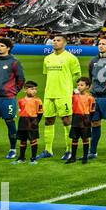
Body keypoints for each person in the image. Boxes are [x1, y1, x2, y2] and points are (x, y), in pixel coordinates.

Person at [43, 34, 82, 162]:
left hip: (64, 94)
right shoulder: (47, 58)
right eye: (53, 40)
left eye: (58, 40)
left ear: (64, 43)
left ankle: (69, 150)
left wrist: (70, 87)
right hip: (49, 94)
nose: (55, 42)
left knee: (66, 121)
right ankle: (48, 150)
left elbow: (77, 76)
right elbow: (47, 75)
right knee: (48, 121)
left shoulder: (71, 58)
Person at [0, 38, 24, 159]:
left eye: (2, 45)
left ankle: (12, 149)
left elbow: (21, 80)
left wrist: (13, 92)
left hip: (7, 99)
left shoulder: (14, 63)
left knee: (9, 122)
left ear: (8, 48)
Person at [66, 78, 96, 164]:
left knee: (85, 139)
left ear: (87, 86)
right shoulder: (74, 96)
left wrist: (89, 120)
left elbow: (92, 111)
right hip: (75, 119)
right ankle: (73, 157)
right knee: (74, 139)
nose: (79, 87)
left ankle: (85, 157)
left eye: (81, 85)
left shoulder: (90, 98)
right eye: (78, 85)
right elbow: (68, 101)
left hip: (85, 119)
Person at [15, 81, 43, 164]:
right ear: (25, 90)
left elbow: (40, 114)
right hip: (22, 122)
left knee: (33, 140)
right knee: (22, 140)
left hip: (33, 121)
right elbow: (20, 110)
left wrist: (36, 122)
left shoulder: (38, 101)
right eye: (32, 89)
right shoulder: (21, 101)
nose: (34, 91)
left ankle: (33, 158)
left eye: (35, 89)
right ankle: (21, 158)